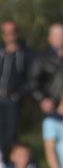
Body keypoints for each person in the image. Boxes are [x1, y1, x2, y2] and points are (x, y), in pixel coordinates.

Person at [0, 20, 32, 159]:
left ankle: (9, 164)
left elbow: (30, 79)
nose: (9, 36)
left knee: (11, 135)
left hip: (13, 101)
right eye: (6, 33)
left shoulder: (25, 55)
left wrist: (19, 93)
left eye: (12, 32)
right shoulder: (1, 54)